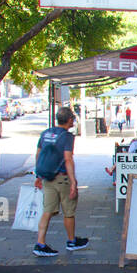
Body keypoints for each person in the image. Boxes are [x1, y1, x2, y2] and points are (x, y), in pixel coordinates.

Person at [32, 106, 89, 256]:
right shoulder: (67, 136)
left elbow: (38, 155)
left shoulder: (45, 133)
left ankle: (40, 243)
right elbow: (68, 159)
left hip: (47, 178)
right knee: (69, 211)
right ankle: (71, 241)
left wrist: (38, 176)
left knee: (47, 211)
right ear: (69, 120)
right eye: (73, 119)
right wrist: (74, 182)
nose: (73, 122)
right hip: (62, 178)